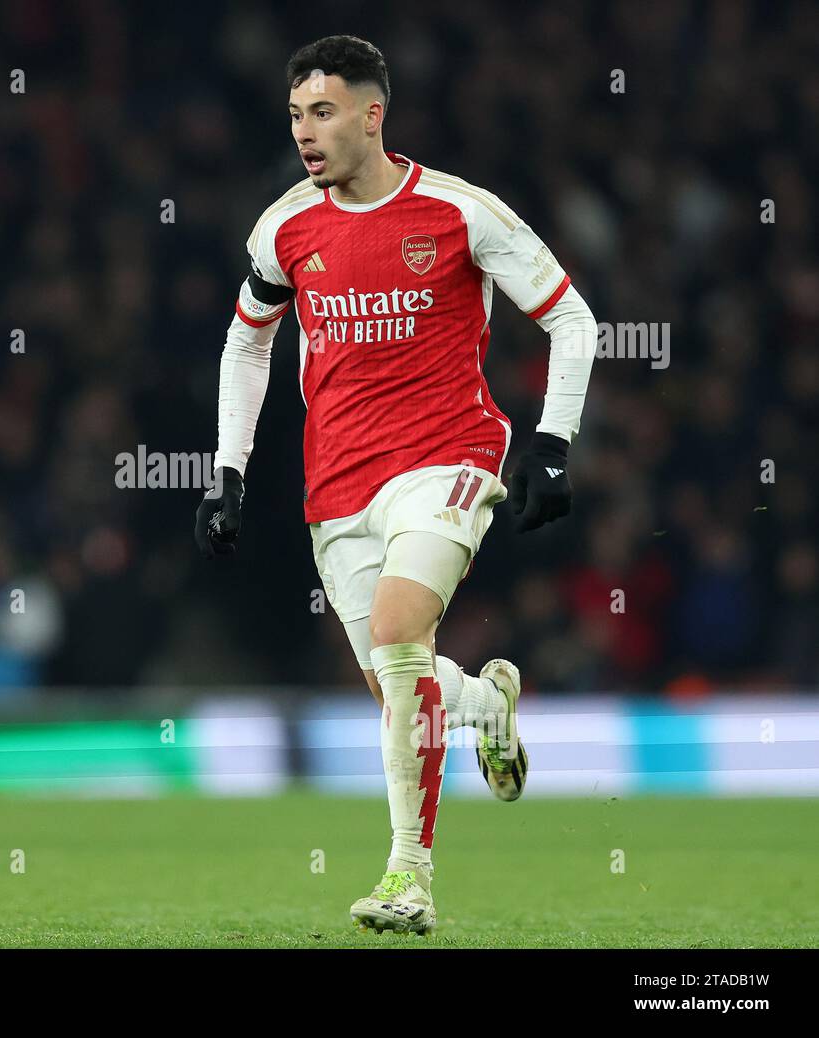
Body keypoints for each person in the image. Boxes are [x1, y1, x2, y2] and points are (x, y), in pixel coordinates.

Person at [194, 35, 597, 934]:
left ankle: (408, 877)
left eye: (323, 112)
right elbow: (246, 341)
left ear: (373, 116)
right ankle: (486, 703)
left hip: (447, 460)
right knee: (398, 687)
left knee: (397, 634)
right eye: (296, 114)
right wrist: (228, 470)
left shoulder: (460, 212)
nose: (305, 131)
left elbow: (572, 317)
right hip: (335, 488)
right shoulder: (283, 227)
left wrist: (554, 441)